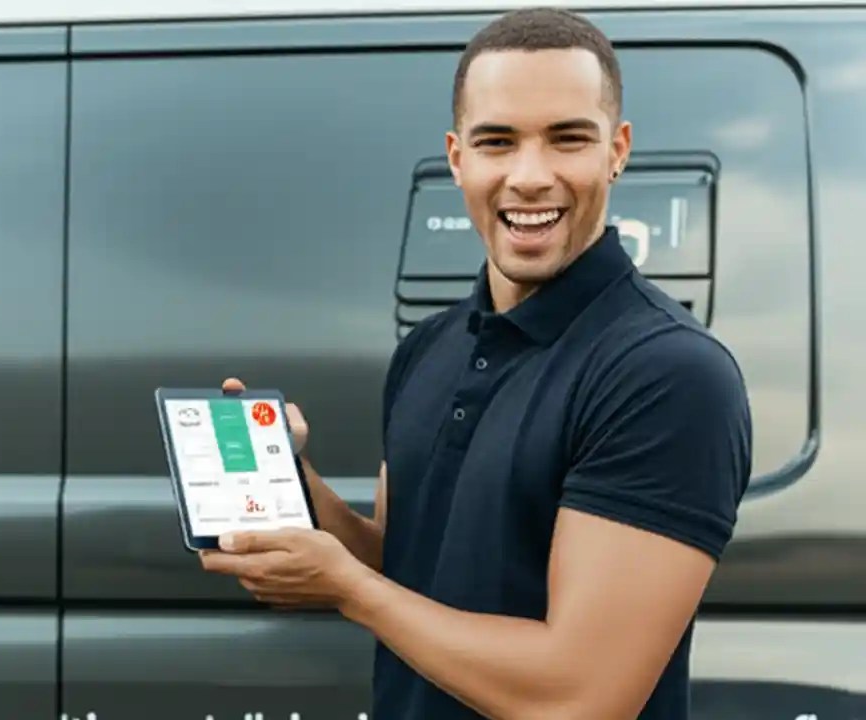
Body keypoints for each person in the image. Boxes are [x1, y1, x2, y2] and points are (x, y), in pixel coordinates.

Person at [199, 6, 753, 720]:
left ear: (617, 150)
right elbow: (407, 571)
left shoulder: (667, 374)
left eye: (567, 139)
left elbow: (580, 696)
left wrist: (347, 590)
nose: (529, 176)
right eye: (498, 141)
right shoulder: (427, 350)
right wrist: (295, 490)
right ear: (458, 157)